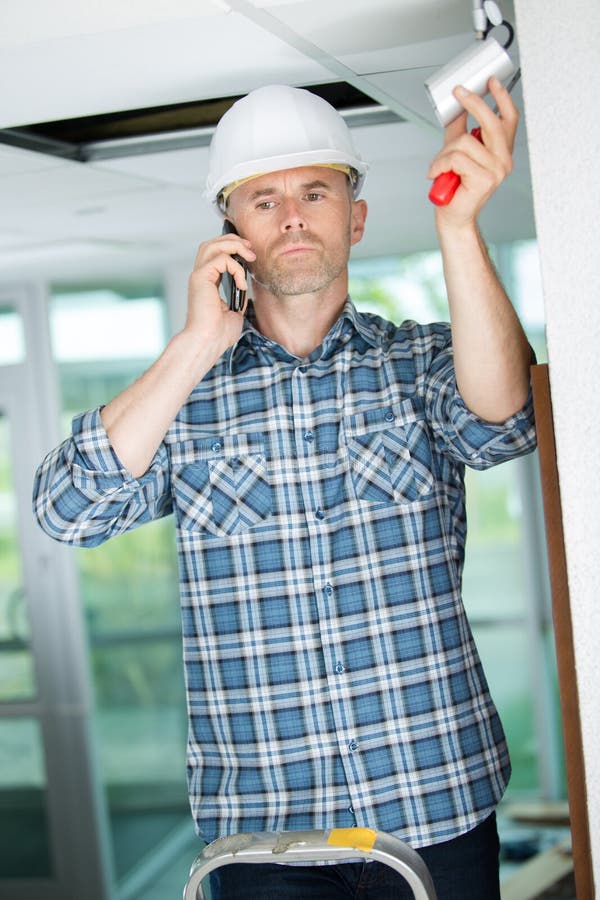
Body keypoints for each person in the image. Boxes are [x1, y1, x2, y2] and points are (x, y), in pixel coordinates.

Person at [32, 82, 536, 899]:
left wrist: (458, 223)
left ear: (356, 218)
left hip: (434, 807)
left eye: (315, 192)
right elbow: (67, 508)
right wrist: (197, 343)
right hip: (265, 836)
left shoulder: (419, 363)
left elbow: (503, 424)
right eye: (263, 200)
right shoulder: (184, 399)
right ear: (232, 234)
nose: (293, 217)